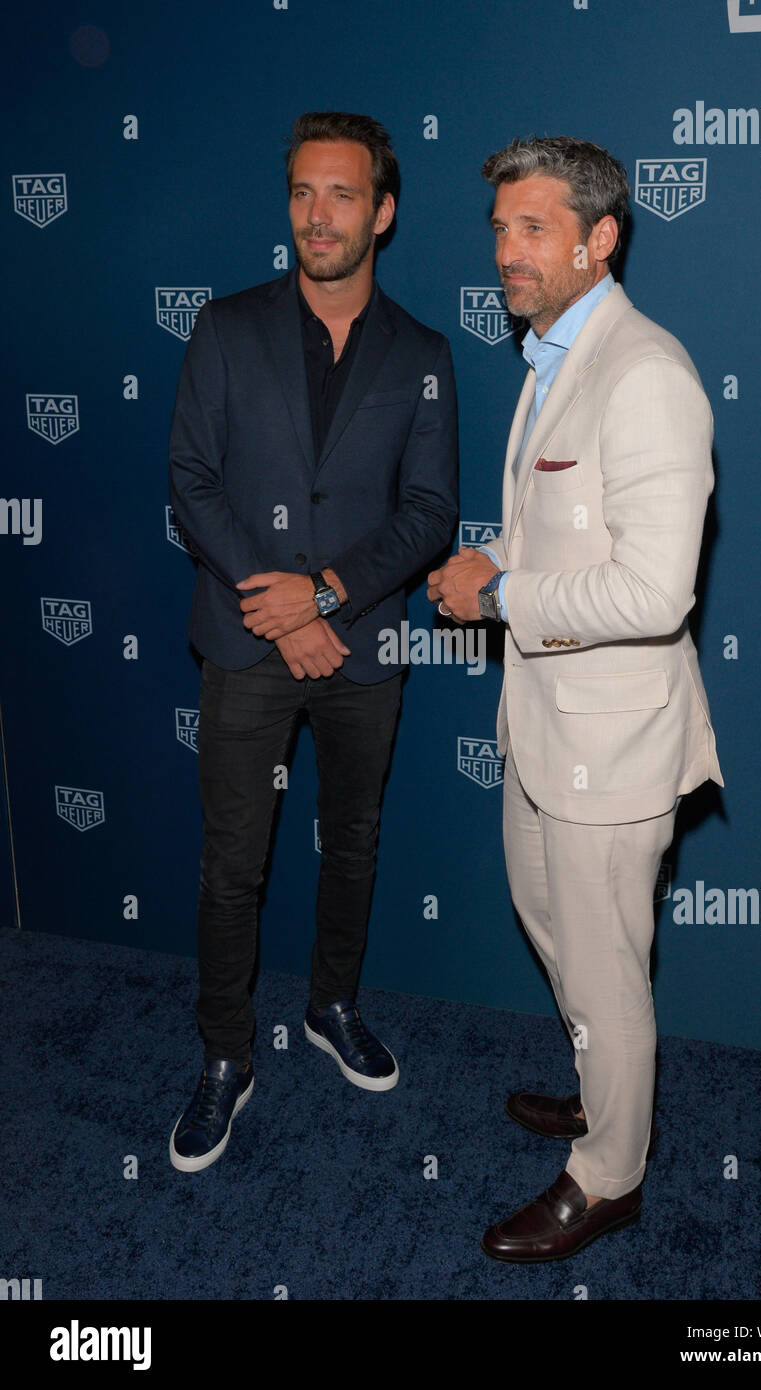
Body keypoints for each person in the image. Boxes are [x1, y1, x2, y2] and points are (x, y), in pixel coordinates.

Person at [428, 136, 722, 1261]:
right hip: (545, 728)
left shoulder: (644, 372)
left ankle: (608, 1177)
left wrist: (503, 587)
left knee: (604, 957)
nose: (507, 249)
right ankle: (611, 1091)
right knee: (556, 928)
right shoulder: (551, 351)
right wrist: (501, 559)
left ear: (599, 240)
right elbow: (568, 531)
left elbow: (654, 588)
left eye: (533, 228)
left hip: (612, 743)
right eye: (500, 226)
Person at [168, 111, 458, 1172]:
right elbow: (191, 482)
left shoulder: (422, 353)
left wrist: (324, 597)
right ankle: (225, 1055)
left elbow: (429, 513)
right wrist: (282, 611)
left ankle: (333, 1004)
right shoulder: (224, 327)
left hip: (362, 650)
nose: (317, 214)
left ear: (381, 212)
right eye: (301, 192)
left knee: (354, 844)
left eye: (341, 194)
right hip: (248, 644)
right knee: (231, 866)